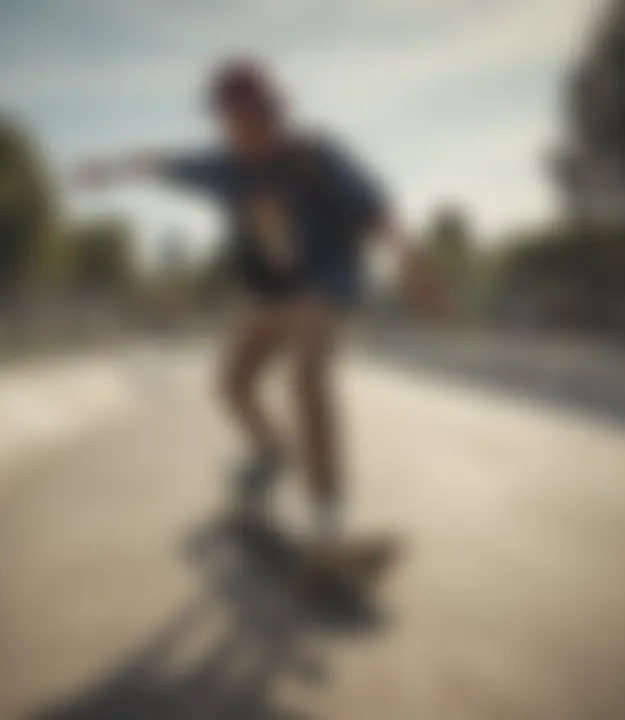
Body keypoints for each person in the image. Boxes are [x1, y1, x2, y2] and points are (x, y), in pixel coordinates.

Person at [77, 58, 414, 573]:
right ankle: (272, 451)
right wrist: (109, 171)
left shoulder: (315, 156)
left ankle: (327, 517)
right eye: (227, 121)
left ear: (269, 111)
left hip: (325, 289)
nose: (237, 133)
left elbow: (377, 211)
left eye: (246, 119)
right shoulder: (224, 166)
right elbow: (157, 162)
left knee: (307, 379)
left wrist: (414, 269)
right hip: (268, 298)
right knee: (233, 385)